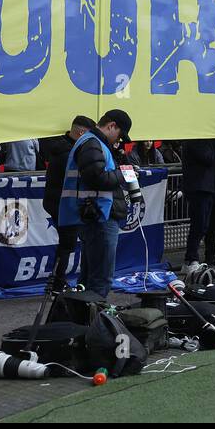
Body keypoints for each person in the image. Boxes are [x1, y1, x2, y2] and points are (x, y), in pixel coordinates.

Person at [58, 109, 135, 299]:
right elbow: (97, 178)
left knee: (90, 277)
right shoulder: (93, 143)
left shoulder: (92, 143)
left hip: (95, 215)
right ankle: (94, 322)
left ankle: (84, 320)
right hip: (99, 216)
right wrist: (124, 174)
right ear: (111, 126)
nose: (118, 141)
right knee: (100, 278)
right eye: (119, 135)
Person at [43, 115, 93, 294]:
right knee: (67, 244)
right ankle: (57, 283)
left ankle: (57, 281)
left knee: (67, 244)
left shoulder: (63, 148)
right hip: (63, 204)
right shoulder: (69, 153)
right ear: (80, 132)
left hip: (56, 201)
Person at [180, 135, 215, 277]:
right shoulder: (195, 140)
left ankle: (191, 258)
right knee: (199, 225)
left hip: (206, 186)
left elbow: (212, 162)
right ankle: (191, 259)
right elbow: (210, 159)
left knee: (203, 225)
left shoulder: (203, 141)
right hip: (199, 187)